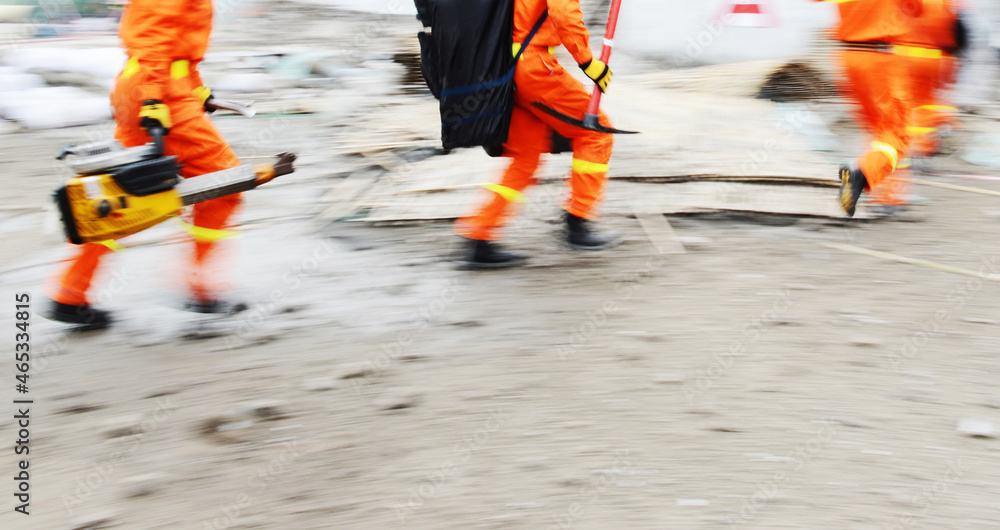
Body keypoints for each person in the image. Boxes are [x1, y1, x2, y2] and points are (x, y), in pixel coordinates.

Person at [45, 0, 243, 327]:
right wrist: (153, 100)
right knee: (226, 183)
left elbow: (174, 46)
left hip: (151, 86)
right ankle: (200, 287)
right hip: (160, 91)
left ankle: (70, 293)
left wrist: (197, 91)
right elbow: (154, 37)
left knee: (122, 193)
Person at [454, 0, 620, 269]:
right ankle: (578, 223)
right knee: (596, 131)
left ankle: (478, 235)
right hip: (533, 67)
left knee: (525, 158)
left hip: (503, 69)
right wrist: (588, 63)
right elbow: (564, 13)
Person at [820, 0, 925, 217]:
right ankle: (862, 174)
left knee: (877, 130)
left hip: (848, 56)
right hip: (880, 56)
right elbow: (916, 9)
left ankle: (887, 198)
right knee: (897, 135)